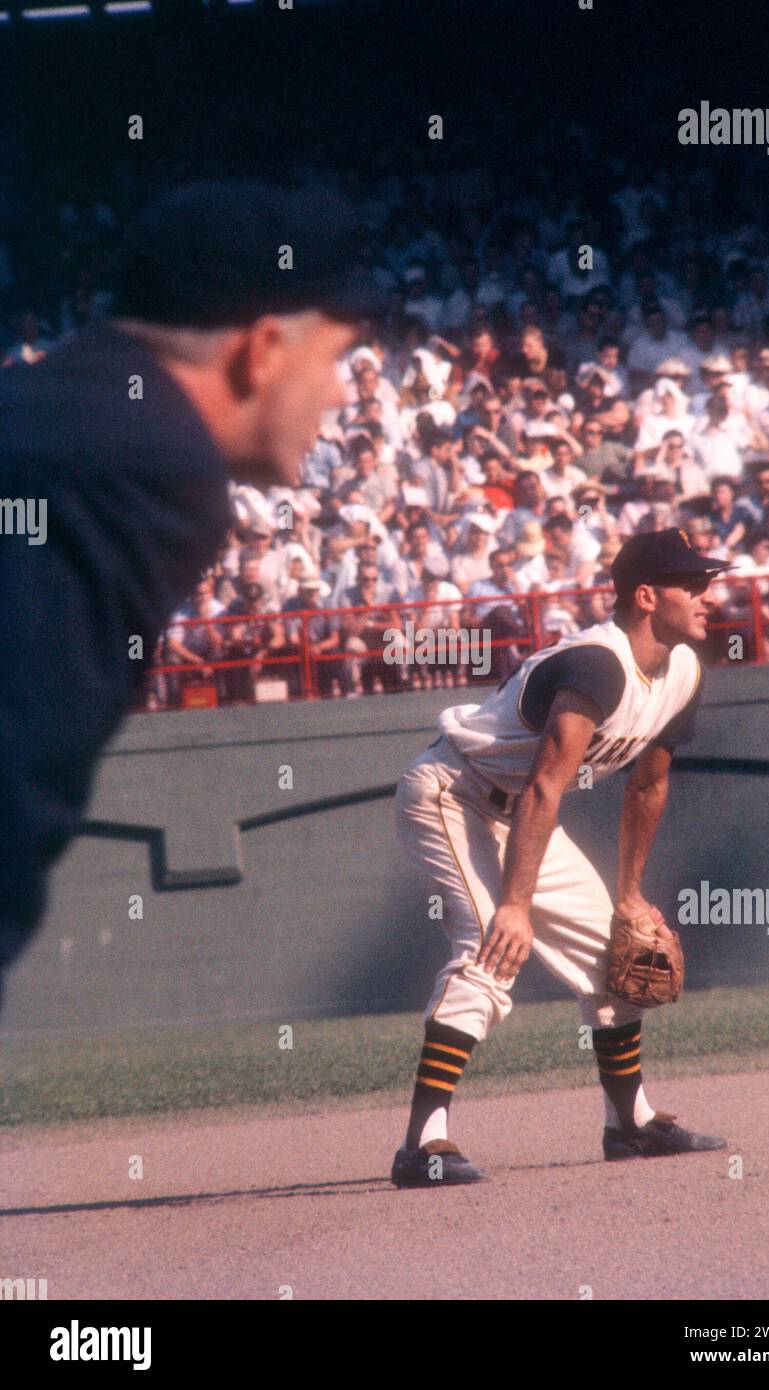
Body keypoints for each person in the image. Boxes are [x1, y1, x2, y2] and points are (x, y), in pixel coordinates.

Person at [0, 180, 365, 996]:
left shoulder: (60, 408)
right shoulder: (146, 465)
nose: (343, 390)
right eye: (336, 357)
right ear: (262, 347)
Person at [390, 528, 731, 1186]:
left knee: (617, 948)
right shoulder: (597, 664)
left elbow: (647, 785)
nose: (706, 595)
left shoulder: (684, 669)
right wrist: (514, 907)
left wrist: (629, 896)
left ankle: (628, 1124)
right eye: (689, 584)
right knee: (489, 948)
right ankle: (421, 1145)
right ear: (644, 596)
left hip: (516, 810)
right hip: (451, 794)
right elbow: (547, 784)